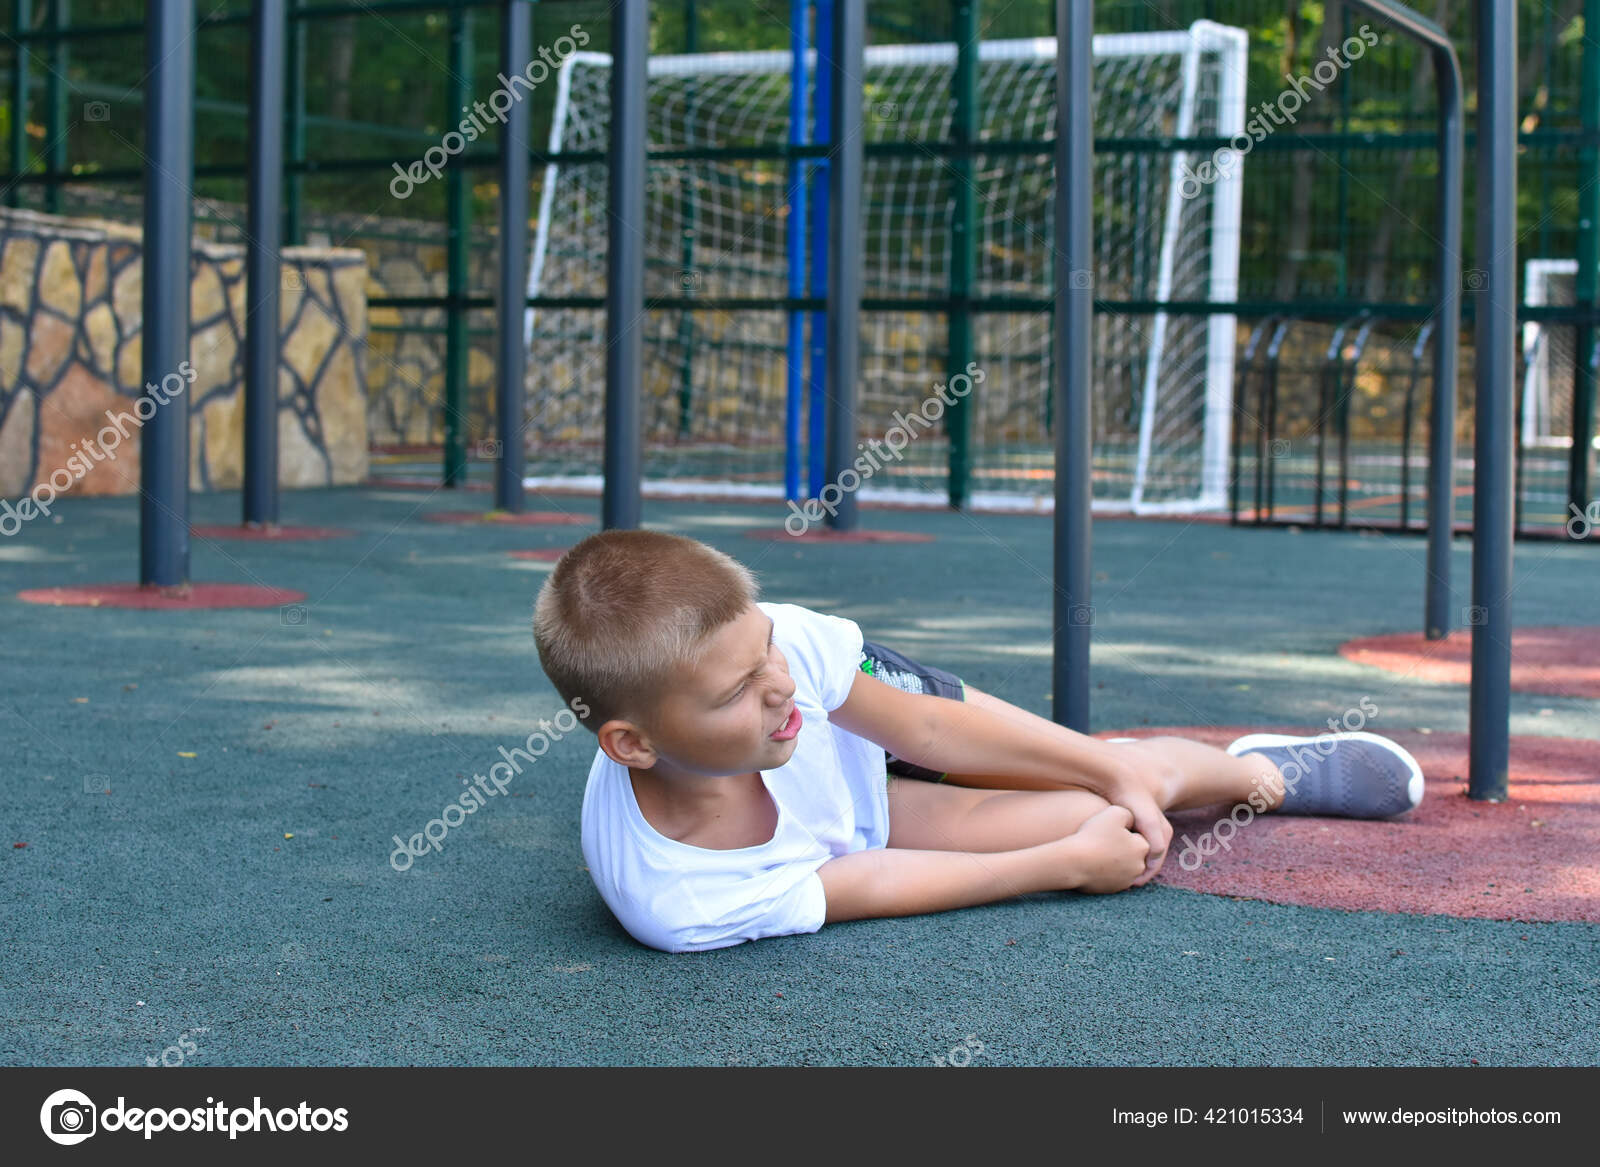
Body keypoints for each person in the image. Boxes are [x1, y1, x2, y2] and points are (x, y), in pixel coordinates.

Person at [532, 529, 1423, 953]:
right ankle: (1143, 780)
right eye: (737, 687)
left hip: (861, 726)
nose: (776, 682)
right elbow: (863, 878)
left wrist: (1105, 760)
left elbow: (924, 724)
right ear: (632, 743)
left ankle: (1262, 769)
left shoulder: (778, 655)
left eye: (766, 645)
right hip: (861, 815)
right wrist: (1067, 859)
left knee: (1122, 774)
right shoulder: (679, 899)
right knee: (1093, 818)